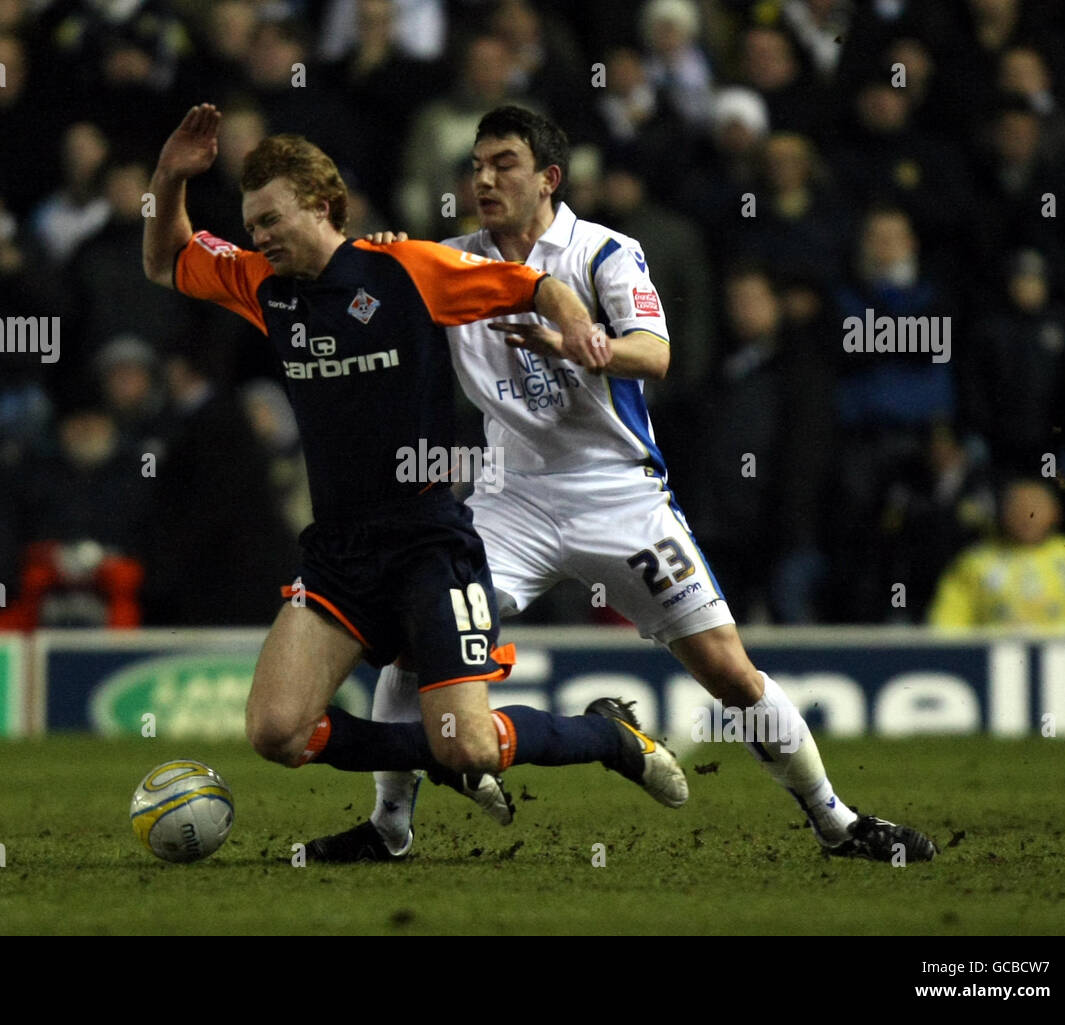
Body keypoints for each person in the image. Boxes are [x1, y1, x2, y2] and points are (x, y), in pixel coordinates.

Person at [308, 105, 937, 863]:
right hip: (509, 498)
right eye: (476, 165)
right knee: (414, 649)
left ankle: (837, 821)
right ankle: (389, 827)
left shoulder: (606, 252)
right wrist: (372, 256)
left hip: (619, 495)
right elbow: (372, 297)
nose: (483, 178)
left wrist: (584, 343)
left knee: (731, 674)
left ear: (549, 178)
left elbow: (656, 354)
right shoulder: (452, 261)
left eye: (503, 163)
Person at [142, 105, 689, 854]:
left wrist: (575, 329)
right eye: (250, 224)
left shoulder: (407, 270)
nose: (258, 237)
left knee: (466, 746)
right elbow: (164, 259)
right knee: (277, 731)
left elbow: (532, 286)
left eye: (270, 220)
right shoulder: (263, 284)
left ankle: (609, 736)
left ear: (324, 206)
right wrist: (172, 175)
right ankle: (423, 781)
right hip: (338, 553)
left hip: (431, 543)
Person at [928, 479, 1065, 629]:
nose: (1027, 515)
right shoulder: (973, 563)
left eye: (1035, 507)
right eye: (1017, 506)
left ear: (1056, 512)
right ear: (1002, 512)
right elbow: (946, 626)